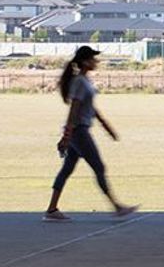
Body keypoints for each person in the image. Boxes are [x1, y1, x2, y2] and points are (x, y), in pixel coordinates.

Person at [44, 46, 138, 221]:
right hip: (79, 131)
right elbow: (75, 108)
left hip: (78, 131)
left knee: (67, 169)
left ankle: (51, 210)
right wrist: (67, 135)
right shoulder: (80, 81)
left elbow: (90, 107)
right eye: (93, 58)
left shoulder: (84, 80)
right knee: (99, 167)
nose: (96, 61)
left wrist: (105, 125)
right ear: (86, 61)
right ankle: (117, 207)